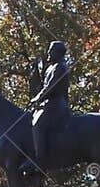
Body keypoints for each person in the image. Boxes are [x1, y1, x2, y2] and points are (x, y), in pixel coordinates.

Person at [29, 39, 73, 171]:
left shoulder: (60, 67)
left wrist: (37, 98)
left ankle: (40, 161)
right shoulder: (51, 68)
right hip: (49, 104)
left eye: (51, 50)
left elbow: (51, 87)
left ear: (57, 53)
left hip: (56, 105)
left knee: (38, 124)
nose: (48, 53)